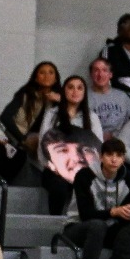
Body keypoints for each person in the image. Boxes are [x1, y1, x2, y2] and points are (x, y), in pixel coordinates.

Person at [68, 136, 130, 259]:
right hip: (78, 227)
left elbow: (125, 215)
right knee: (98, 226)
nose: (114, 159)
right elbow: (85, 214)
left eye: (118, 155)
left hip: (109, 229)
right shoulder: (84, 176)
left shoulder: (129, 179)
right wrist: (113, 212)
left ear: (123, 159)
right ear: (100, 157)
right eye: (109, 155)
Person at [35, 73, 103, 215]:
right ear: (63, 91)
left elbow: (98, 147)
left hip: (84, 171)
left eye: (79, 88)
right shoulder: (52, 114)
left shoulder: (92, 117)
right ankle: (55, 224)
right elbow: (43, 144)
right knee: (59, 188)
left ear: (84, 93)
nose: (75, 91)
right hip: (55, 171)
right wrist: (54, 168)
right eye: (70, 87)